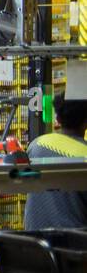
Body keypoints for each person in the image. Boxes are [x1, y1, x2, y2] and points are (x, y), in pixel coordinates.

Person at [24, 95, 87, 229]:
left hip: (32, 240)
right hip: (72, 243)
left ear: (58, 119)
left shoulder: (37, 144)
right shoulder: (84, 153)